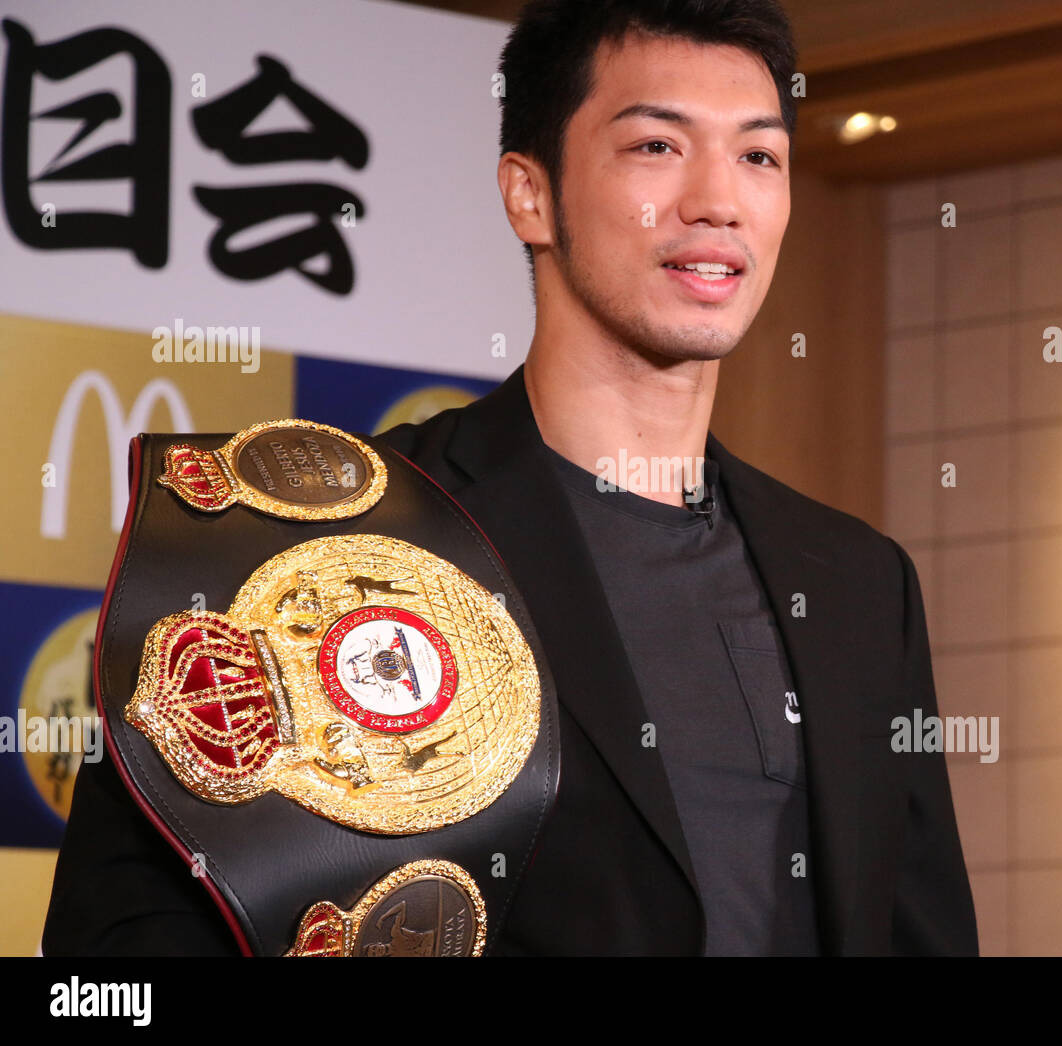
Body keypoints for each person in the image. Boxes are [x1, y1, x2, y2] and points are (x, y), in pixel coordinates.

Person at [43, 0, 977, 956]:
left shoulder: (861, 583)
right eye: (657, 147)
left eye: (759, 156)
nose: (718, 201)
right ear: (530, 194)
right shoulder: (329, 537)